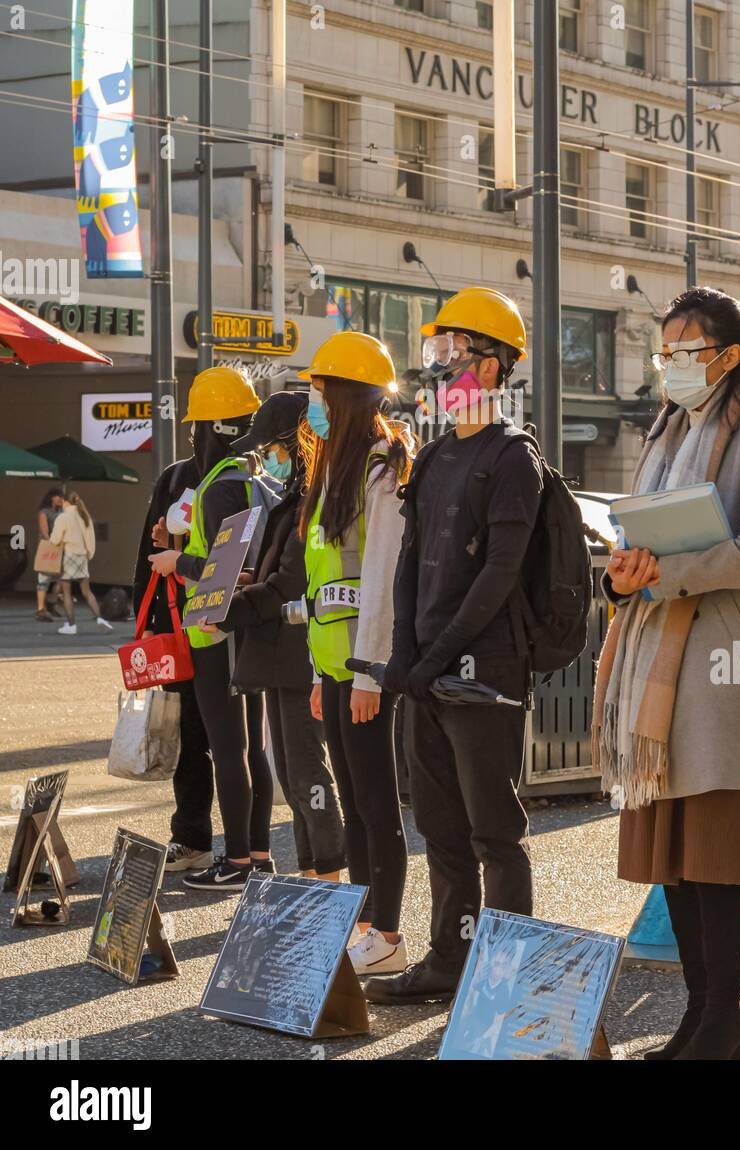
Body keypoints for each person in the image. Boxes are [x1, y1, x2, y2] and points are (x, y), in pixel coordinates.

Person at [593, 286, 740, 1062]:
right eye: (664, 351)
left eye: (686, 350)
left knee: (714, 852)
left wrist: (669, 571)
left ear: (730, 355)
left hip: (720, 667)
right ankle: (702, 1018)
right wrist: (623, 575)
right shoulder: (668, 429)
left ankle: (725, 1020)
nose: (672, 364)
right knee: (676, 855)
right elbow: (634, 536)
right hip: (659, 665)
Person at [366, 287, 544, 1006]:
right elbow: (411, 565)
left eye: (455, 355)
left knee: (493, 831)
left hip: (483, 675)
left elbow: (502, 572)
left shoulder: (512, 458)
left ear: (495, 368)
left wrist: (438, 656)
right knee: (438, 827)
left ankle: (506, 974)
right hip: (430, 677)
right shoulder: (435, 458)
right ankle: (451, 956)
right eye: (436, 355)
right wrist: (407, 654)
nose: (439, 370)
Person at [299, 332, 413, 975]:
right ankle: (365, 922)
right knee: (352, 796)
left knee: (376, 802)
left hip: (367, 668)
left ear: (344, 395)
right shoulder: (333, 471)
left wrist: (370, 672)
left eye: (319, 390)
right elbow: (325, 585)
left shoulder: (382, 467)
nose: (313, 402)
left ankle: (389, 936)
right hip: (337, 667)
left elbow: (381, 577)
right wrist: (324, 671)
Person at [149, 366, 275, 893]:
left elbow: (220, 574)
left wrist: (175, 560)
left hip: (215, 635)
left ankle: (239, 862)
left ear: (207, 429)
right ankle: (259, 856)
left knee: (230, 750)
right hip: (248, 633)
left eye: (194, 427)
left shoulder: (220, 488)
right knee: (253, 750)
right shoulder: (255, 479)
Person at [216, 390, 346, 882]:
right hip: (284, 654)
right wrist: (246, 586)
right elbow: (280, 575)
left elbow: (290, 583)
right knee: (294, 780)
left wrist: (229, 609)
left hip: (302, 653)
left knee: (309, 775)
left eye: (274, 447)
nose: (269, 457)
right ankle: (314, 878)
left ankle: (332, 885)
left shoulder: (314, 496)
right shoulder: (300, 493)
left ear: (296, 443)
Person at [133, 446, 214, 874]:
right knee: (188, 736)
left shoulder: (246, 472)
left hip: (232, 624)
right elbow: (148, 549)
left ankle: (249, 850)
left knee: (239, 744)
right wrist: (145, 619)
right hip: (178, 628)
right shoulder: (176, 475)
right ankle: (191, 837)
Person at [51, 493, 111, 635]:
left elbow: (55, 540)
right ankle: (101, 619)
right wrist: (89, 554)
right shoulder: (84, 515)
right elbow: (90, 539)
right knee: (87, 591)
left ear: (66, 502)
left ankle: (71, 626)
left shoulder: (63, 517)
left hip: (69, 556)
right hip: (83, 556)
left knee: (66, 592)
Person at [35, 486, 65, 621]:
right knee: (44, 579)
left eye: (62, 496)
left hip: (60, 549)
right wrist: (53, 543)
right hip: (48, 549)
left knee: (60, 580)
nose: (60, 499)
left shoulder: (63, 513)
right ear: (51, 497)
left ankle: (51, 604)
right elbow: (44, 532)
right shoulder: (44, 512)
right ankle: (41, 609)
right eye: (58, 496)